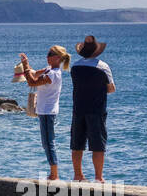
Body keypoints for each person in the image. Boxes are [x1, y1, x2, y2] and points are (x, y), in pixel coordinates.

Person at [20, 46, 71, 181]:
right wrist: (27, 65)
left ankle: (54, 175)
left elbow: (32, 81)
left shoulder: (53, 74)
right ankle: (53, 173)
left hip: (48, 112)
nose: (47, 56)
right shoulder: (49, 70)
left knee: (49, 143)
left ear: (57, 58)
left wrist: (25, 65)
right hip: (43, 111)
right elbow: (34, 74)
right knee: (46, 142)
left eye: (50, 54)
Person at [69, 35, 115, 182]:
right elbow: (111, 88)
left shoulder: (75, 67)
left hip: (78, 108)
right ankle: (98, 177)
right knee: (98, 145)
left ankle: (78, 175)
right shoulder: (103, 66)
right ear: (97, 51)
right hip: (96, 109)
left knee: (77, 144)